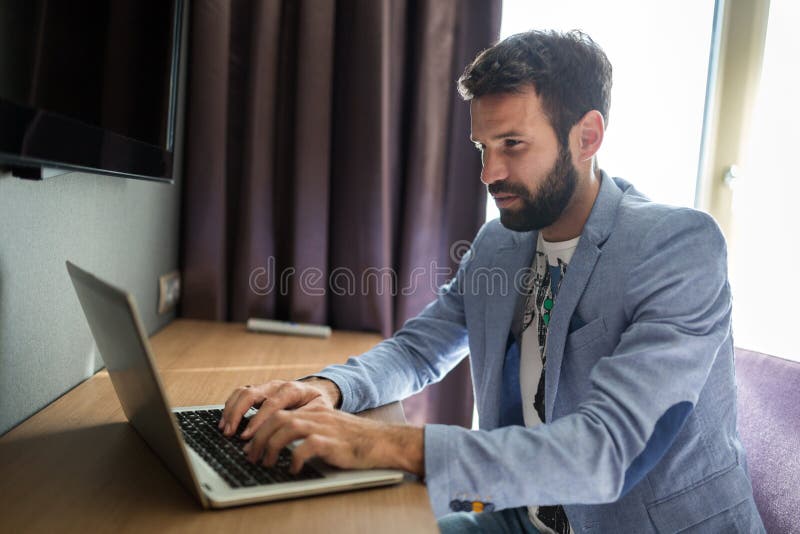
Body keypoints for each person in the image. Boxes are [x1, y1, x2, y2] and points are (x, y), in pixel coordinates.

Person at [218, 30, 764, 533]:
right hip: (519, 518)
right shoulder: (499, 244)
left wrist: (382, 444)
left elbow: (607, 452)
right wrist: (328, 389)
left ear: (587, 136)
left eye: (512, 145)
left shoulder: (677, 247)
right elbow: (418, 350)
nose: (488, 174)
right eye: (483, 148)